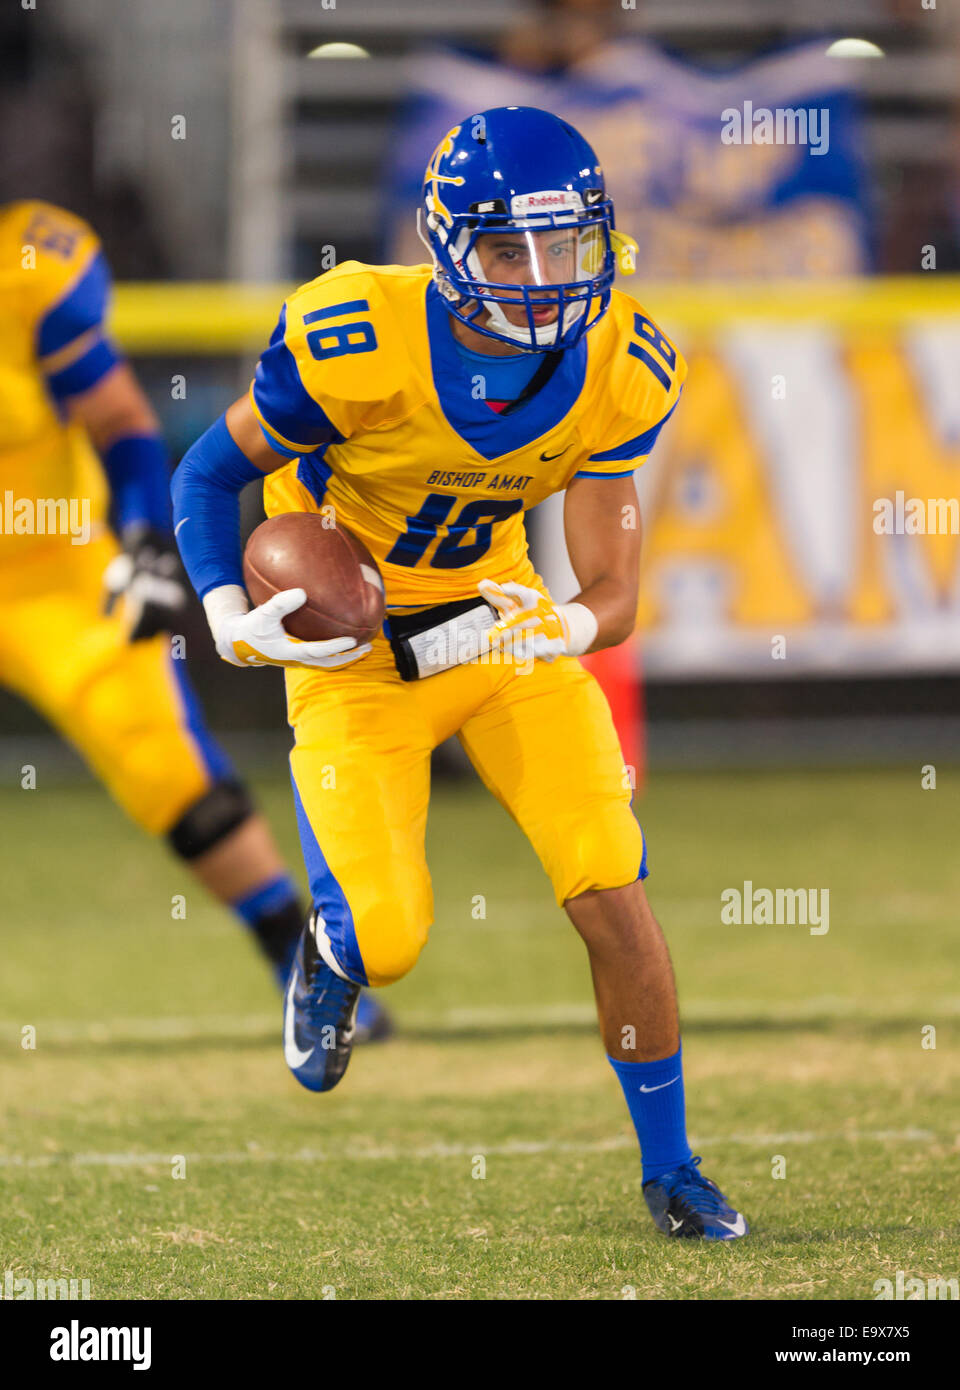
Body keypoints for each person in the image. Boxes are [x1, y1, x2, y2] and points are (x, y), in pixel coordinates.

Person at [172, 108, 747, 1239]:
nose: (540, 280)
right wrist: (232, 613)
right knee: (391, 938)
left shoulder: (619, 366)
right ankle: (332, 955)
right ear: (445, 248)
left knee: (611, 892)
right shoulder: (360, 338)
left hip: (496, 636)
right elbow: (203, 477)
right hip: (355, 664)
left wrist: (565, 630)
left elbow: (614, 591)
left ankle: (672, 1166)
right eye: (503, 250)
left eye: (562, 247)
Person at [0, 196, 390, 1039]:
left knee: (167, 768)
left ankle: (298, 962)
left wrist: (142, 542)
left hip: (52, 573)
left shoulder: (27, 266)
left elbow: (119, 420)